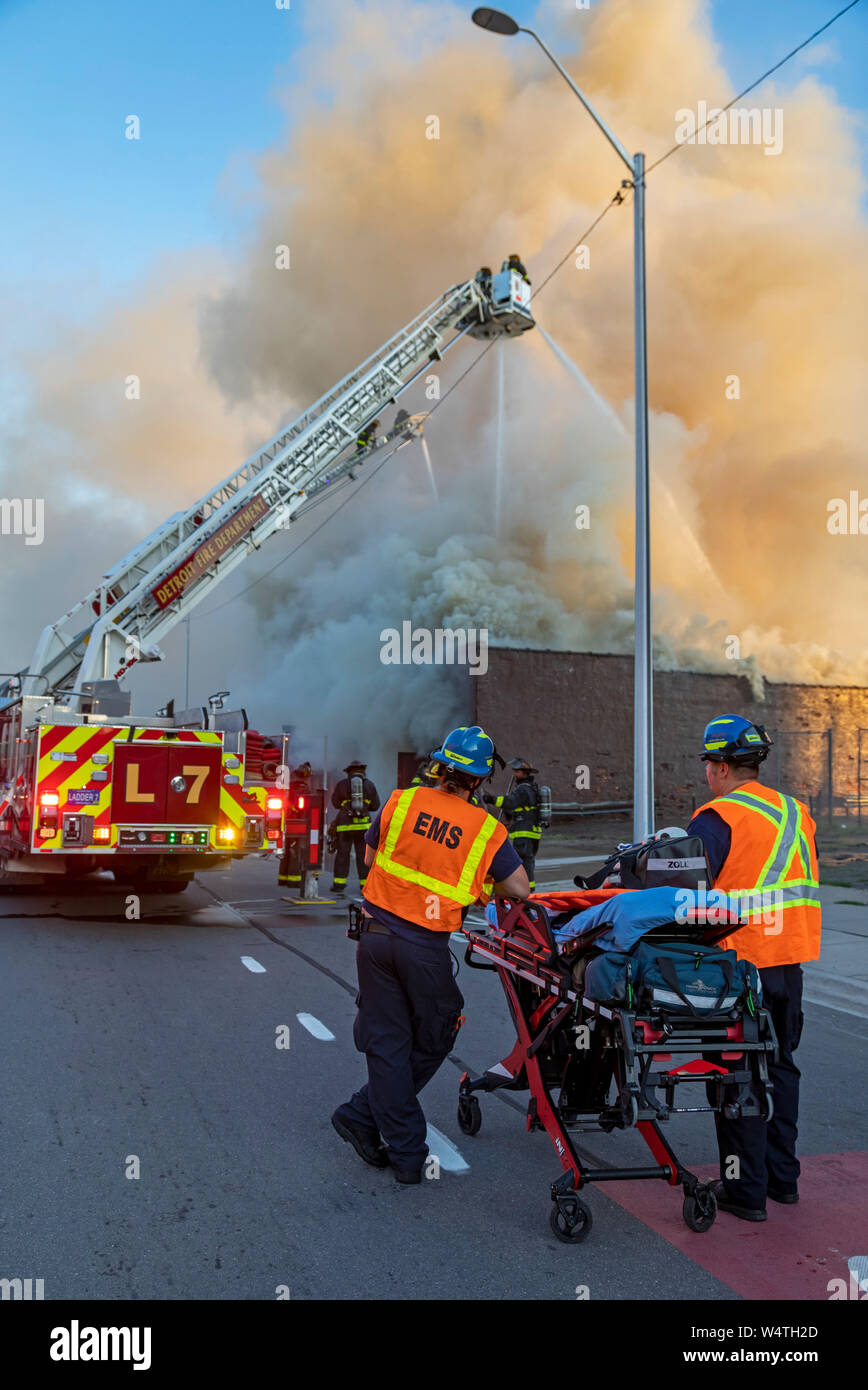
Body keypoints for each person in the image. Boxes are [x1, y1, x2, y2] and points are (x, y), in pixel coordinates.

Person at [331, 725, 530, 1182]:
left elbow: (368, 860)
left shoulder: (401, 802)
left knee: (388, 1041)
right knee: (436, 1034)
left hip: (375, 938)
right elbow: (519, 887)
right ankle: (404, 1150)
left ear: (439, 766)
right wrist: (479, 880)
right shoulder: (485, 829)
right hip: (424, 947)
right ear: (478, 781)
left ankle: (363, 1115)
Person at [687, 715, 821, 1223]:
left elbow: (692, 893)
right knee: (780, 1065)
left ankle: (744, 1191)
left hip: (740, 964)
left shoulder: (717, 815)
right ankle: (783, 1181)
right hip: (790, 960)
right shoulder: (795, 811)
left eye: (708, 764)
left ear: (719, 766)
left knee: (736, 1073)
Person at [484, 757, 543, 890]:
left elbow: (511, 802)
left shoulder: (523, 789)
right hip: (531, 832)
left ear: (524, 773)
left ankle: (525, 890)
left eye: (517, 771)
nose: (514, 774)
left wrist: (492, 799)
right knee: (527, 861)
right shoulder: (531, 788)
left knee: (522, 862)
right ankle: (528, 889)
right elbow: (514, 808)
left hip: (524, 832)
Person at [329, 760, 380, 896]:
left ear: (349, 771)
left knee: (342, 855)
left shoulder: (342, 784)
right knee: (363, 856)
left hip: (345, 827)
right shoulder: (369, 784)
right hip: (363, 828)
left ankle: (339, 885)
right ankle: (365, 885)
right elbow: (376, 805)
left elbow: (335, 803)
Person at [277, 761, 313, 889]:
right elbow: (304, 808)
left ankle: (283, 878)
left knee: (286, 850)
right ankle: (294, 880)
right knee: (295, 852)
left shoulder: (289, 787)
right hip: (298, 824)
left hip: (287, 822)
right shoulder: (303, 788)